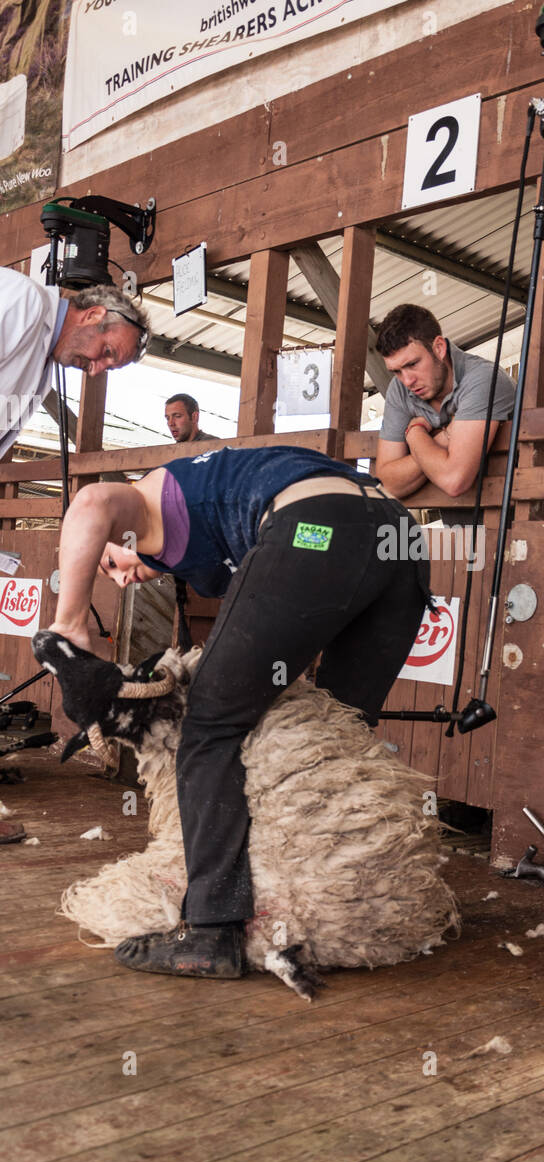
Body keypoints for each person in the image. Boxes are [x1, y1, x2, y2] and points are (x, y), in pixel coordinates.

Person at [42, 445, 431, 978]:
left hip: (317, 527)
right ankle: (338, 908)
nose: (121, 576)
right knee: (334, 732)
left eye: (112, 560)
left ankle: (210, 931)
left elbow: (90, 501)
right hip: (399, 540)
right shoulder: (219, 512)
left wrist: (69, 624)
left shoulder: (149, 503)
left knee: (209, 723)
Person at [0, 267, 150, 458]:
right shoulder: (22, 299)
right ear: (92, 315)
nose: (95, 371)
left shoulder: (43, 369)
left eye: (109, 368)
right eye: (107, 352)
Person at [374, 304, 516, 502]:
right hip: (455, 522)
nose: (407, 381)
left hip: (512, 518)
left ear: (439, 348)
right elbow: (387, 485)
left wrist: (414, 434)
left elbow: (454, 480)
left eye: (413, 364)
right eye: (396, 371)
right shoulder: (399, 390)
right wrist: (443, 439)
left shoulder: (482, 379)